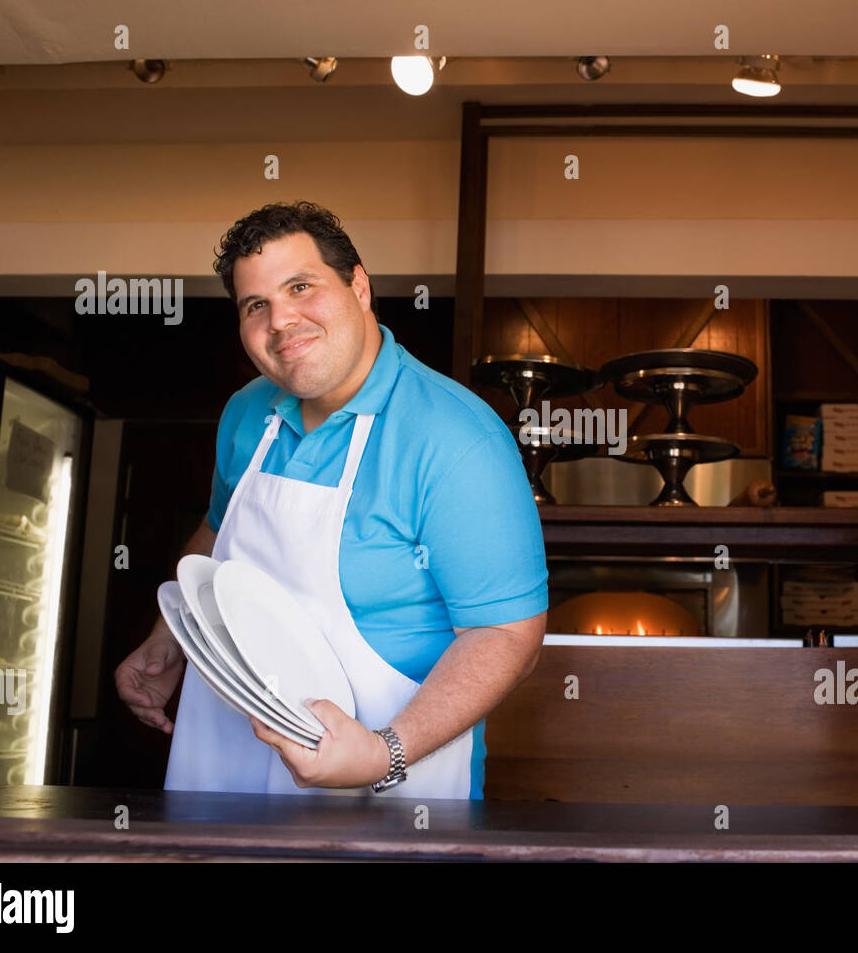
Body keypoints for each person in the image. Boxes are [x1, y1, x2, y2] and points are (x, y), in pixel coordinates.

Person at [115, 200, 548, 799]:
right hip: (224, 758)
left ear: (359, 287)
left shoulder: (456, 439)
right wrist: (172, 637)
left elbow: (506, 635)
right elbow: (218, 534)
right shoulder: (247, 413)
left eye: (301, 287)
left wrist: (382, 754)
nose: (281, 320)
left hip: (391, 779)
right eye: (255, 305)